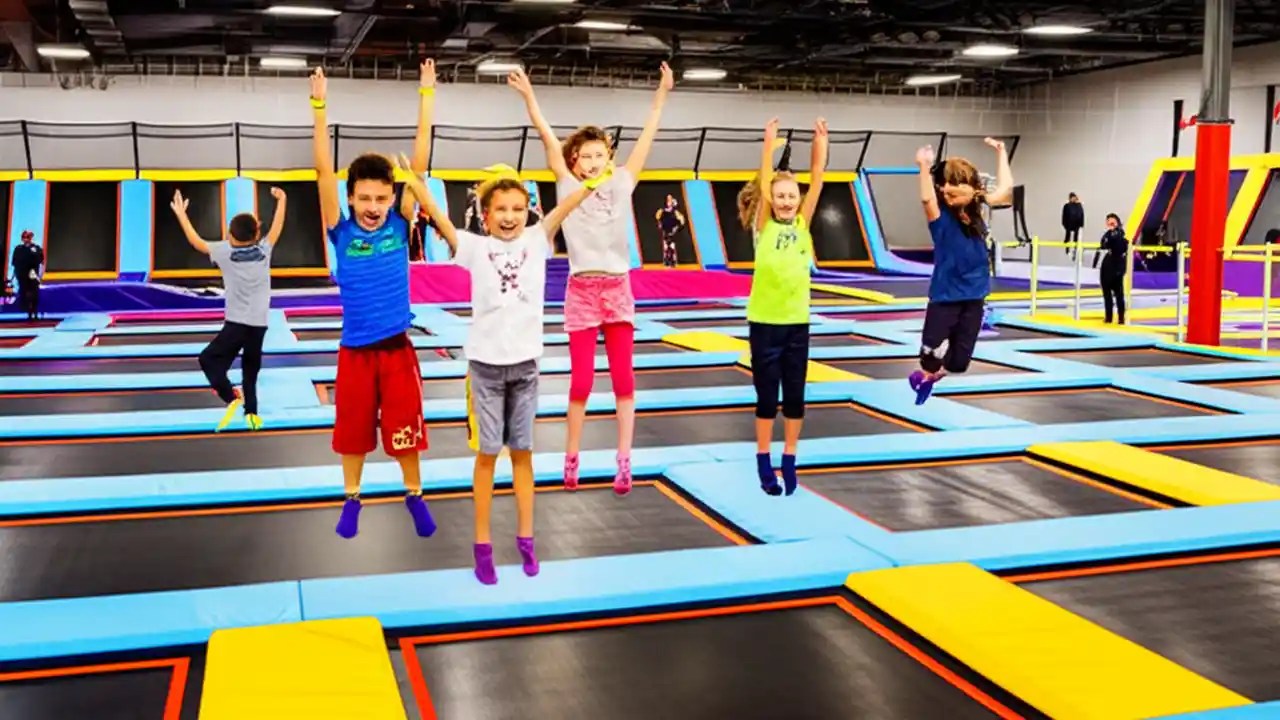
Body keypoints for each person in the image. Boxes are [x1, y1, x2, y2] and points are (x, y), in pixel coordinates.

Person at [412, 160, 600, 585]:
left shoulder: (539, 238)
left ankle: (527, 538)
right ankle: (482, 545)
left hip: (526, 366)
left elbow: (569, 203)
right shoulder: (476, 248)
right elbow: (439, 221)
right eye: (501, 209)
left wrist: (594, 179)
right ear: (486, 214)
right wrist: (419, 188)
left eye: (517, 208)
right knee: (487, 454)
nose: (510, 216)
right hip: (485, 367)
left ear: (528, 211)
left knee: (523, 454)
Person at [507, 62, 674, 496]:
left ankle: (624, 460)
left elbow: (648, 137)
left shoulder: (622, 182)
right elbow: (546, 134)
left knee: (624, 379)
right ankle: (571, 457)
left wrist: (661, 94)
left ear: (609, 159)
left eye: (601, 154)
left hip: (618, 289)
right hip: (582, 289)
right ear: (574, 162)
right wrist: (529, 98)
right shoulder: (565, 185)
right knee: (581, 381)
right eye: (587, 156)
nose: (594, 161)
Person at [311, 59, 438, 540]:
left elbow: (419, 165)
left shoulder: (399, 225)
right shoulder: (340, 230)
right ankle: (351, 498)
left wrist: (426, 95)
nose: (372, 207)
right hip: (355, 352)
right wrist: (320, 107)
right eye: (364, 198)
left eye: (380, 199)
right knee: (353, 431)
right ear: (351, 197)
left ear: (391, 198)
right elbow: (323, 168)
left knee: (407, 429)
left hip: (397, 348)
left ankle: (414, 495)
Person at [736, 117, 828, 496]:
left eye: (793, 196)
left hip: (797, 325)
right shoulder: (764, 227)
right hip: (764, 325)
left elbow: (818, 177)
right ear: (771, 200)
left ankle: (789, 457)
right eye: (781, 196)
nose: (788, 201)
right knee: (766, 398)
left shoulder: (804, 223)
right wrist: (768, 145)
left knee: (794, 396)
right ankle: (763, 459)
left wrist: (819, 142)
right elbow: (762, 181)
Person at [170, 188, 287, 431]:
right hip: (259, 325)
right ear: (257, 233)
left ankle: (232, 398)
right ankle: (251, 414)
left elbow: (195, 241)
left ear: (230, 235)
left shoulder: (224, 252)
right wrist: (282, 200)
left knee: (207, 359)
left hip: (236, 324)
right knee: (250, 368)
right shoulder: (265, 250)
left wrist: (181, 213)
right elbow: (277, 227)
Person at [910, 138, 1013, 405]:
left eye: (955, 186)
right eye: (945, 186)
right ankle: (927, 373)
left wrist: (1002, 153)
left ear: (972, 188)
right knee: (930, 357)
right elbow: (925, 198)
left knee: (959, 363)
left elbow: (1005, 190)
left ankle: (932, 378)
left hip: (974, 297)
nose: (947, 191)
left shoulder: (979, 211)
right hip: (945, 297)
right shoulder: (940, 217)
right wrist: (923, 166)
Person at [1093, 213, 1128, 324]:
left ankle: (1121, 318)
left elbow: (1118, 244)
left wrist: (1113, 233)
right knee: (1106, 292)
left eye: (1113, 222)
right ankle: (1108, 317)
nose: (1110, 224)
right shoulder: (1107, 235)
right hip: (1107, 265)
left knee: (1119, 293)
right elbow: (1103, 244)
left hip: (1117, 265)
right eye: (1109, 222)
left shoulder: (1120, 235)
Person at [10, 230, 42, 321]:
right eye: (24, 238)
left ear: (31, 238)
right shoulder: (18, 249)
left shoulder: (36, 248)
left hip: (32, 274)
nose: (26, 240)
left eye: (28, 237)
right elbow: (15, 261)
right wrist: (16, 273)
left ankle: (34, 312)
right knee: (25, 293)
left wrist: (33, 252)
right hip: (22, 275)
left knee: (34, 294)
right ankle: (28, 312)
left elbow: (40, 259)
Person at [655, 194, 686, 268]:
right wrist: (660, 225)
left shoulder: (675, 211)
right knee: (666, 246)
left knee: (672, 246)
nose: (669, 201)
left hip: (672, 230)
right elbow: (658, 218)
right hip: (665, 230)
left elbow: (682, 220)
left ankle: (673, 261)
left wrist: (677, 227)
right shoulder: (662, 210)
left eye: (670, 200)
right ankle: (666, 261)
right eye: (668, 200)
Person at [1062, 192, 1083, 258]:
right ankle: (1067, 250)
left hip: (1077, 224)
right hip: (1068, 224)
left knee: (1076, 238)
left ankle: (1074, 251)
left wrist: (1081, 225)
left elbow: (1082, 215)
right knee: (1067, 237)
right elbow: (1064, 215)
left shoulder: (1079, 205)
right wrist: (1064, 224)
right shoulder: (1067, 206)